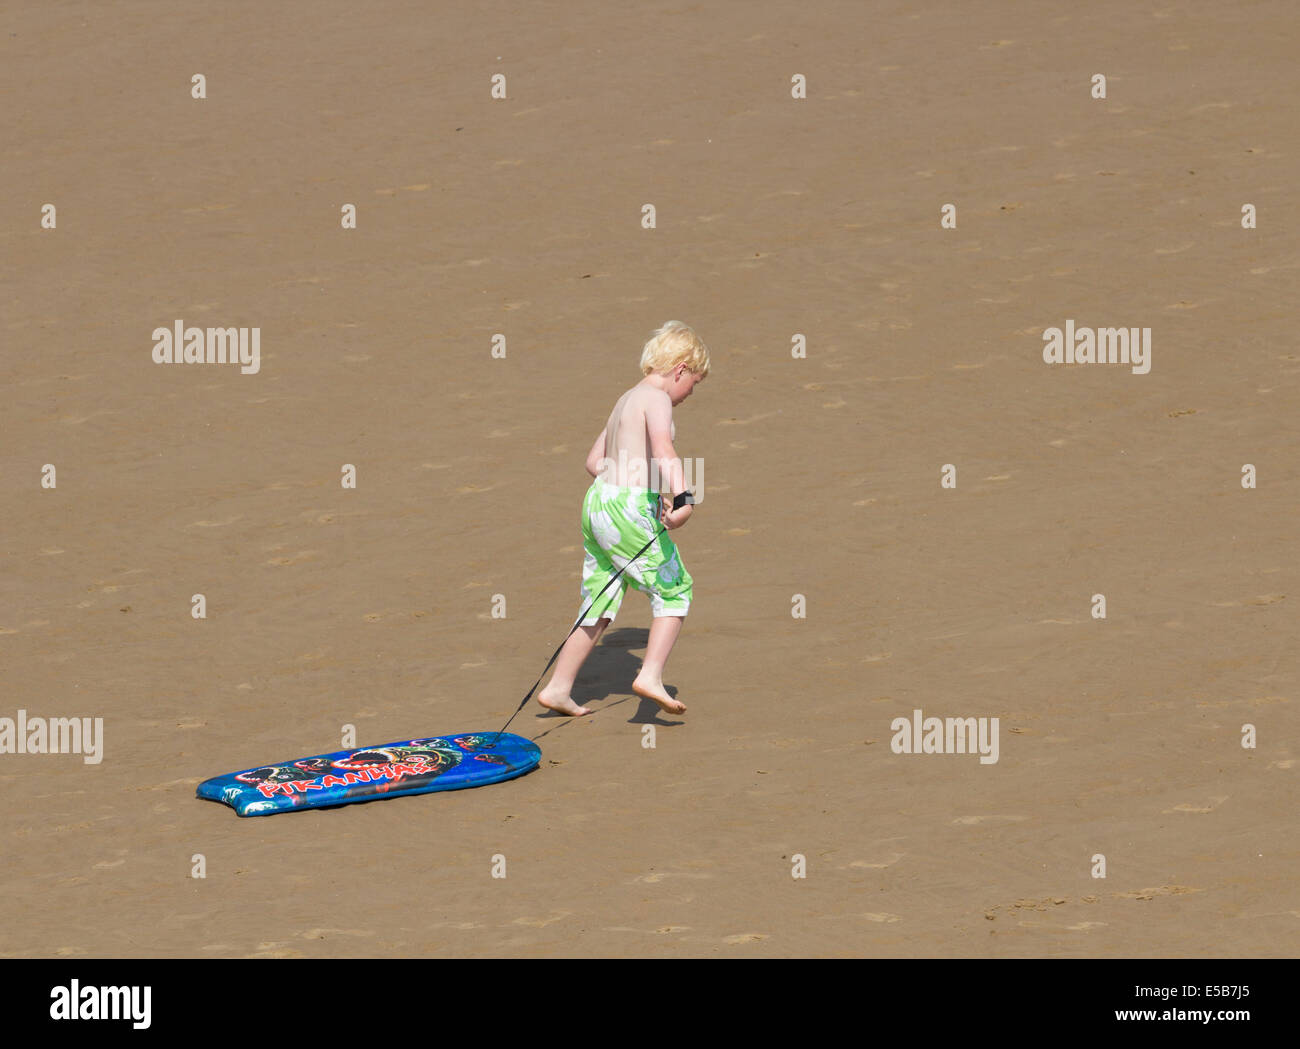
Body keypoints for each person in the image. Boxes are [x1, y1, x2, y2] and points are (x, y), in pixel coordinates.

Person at [537, 321, 710, 717]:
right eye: (695, 383)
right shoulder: (658, 399)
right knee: (675, 589)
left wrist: (627, 482)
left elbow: (593, 462)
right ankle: (650, 675)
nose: (691, 393)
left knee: (600, 597)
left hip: (597, 503)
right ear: (681, 369)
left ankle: (559, 687)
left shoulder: (625, 399)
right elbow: (664, 449)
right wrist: (685, 499)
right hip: (627, 508)